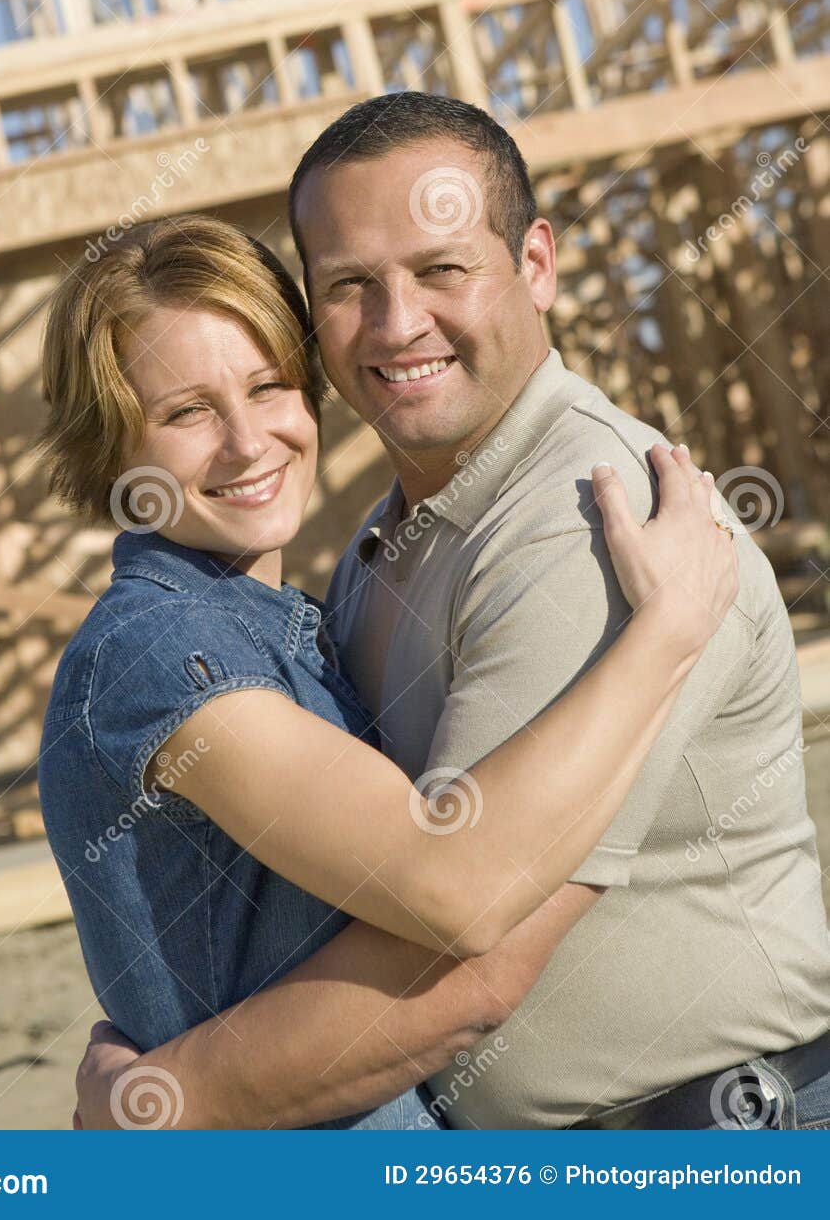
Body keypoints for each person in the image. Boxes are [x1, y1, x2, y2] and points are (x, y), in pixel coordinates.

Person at [75, 94, 830, 1132]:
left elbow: (471, 956)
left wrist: (159, 1105)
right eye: (350, 286)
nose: (398, 324)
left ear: (535, 264)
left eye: (440, 269)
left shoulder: (588, 526)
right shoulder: (389, 545)